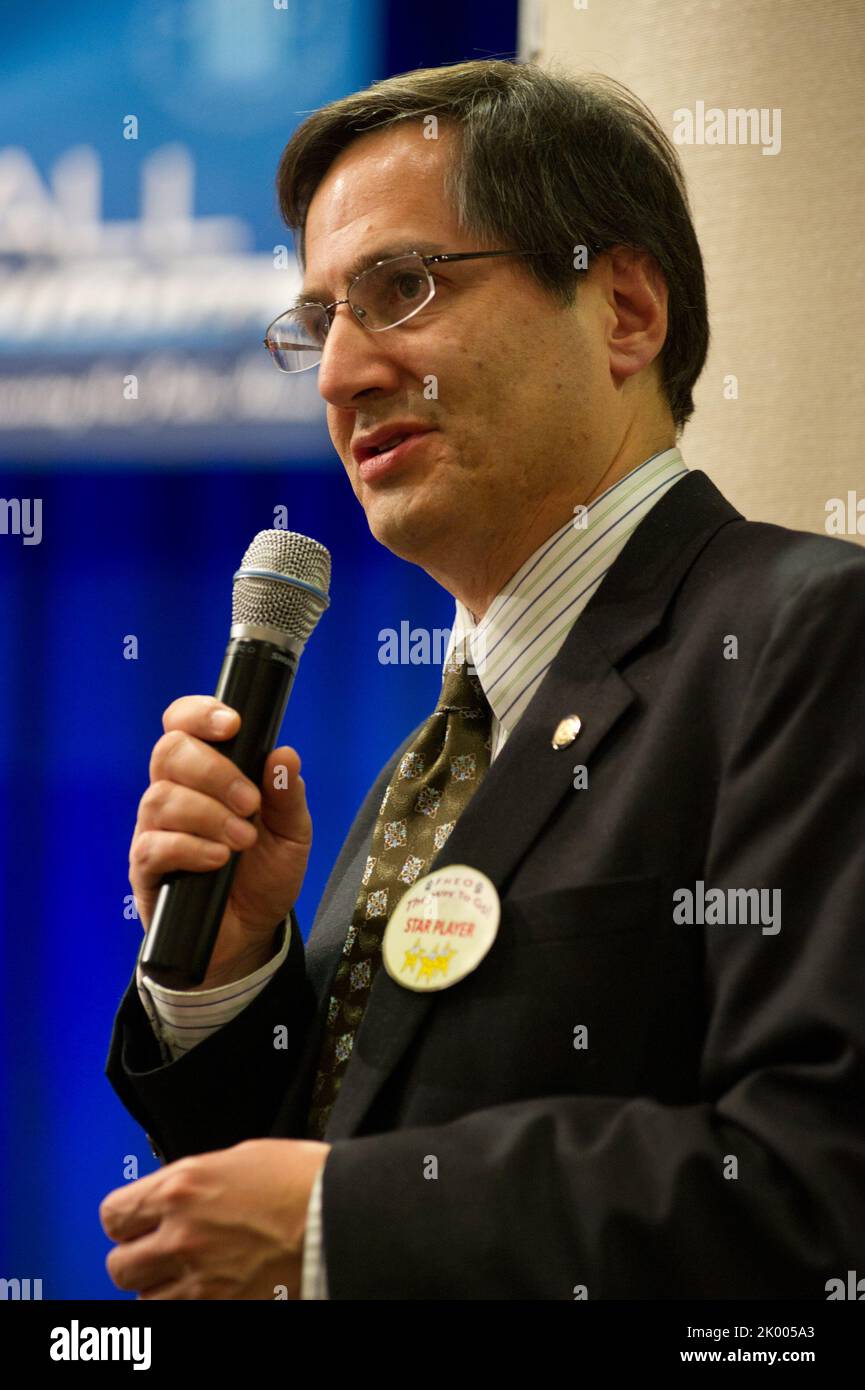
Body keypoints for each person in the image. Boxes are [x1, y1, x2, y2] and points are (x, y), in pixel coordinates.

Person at [101, 59, 865, 1300]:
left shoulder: (807, 639)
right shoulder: (438, 754)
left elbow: (813, 1181)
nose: (342, 375)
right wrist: (234, 969)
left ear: (624, 310)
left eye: (401, 288)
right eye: (318, 324)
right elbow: (313, 1154)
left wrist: (343, 1227)